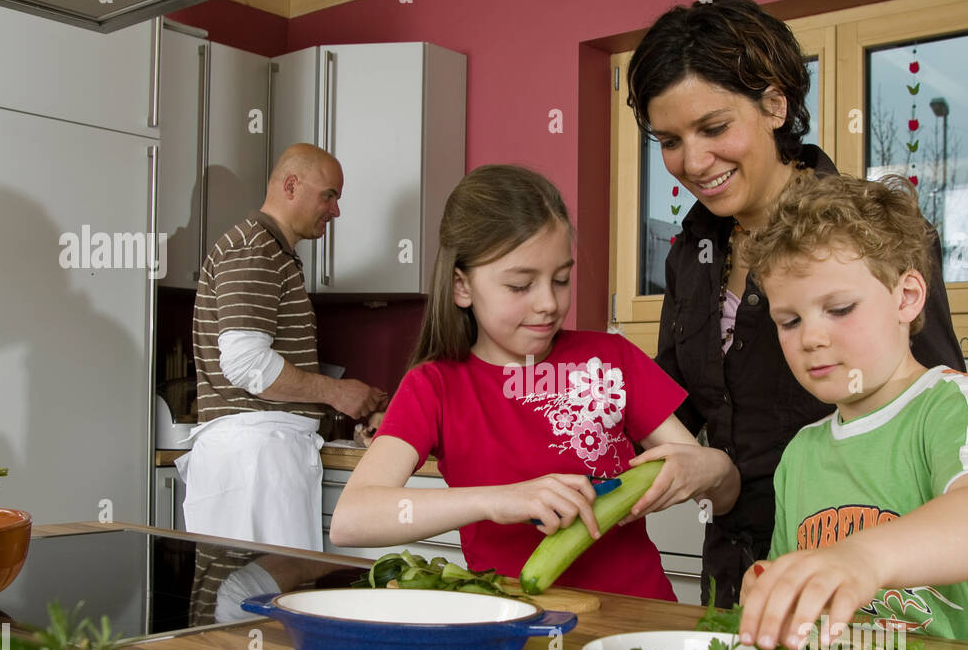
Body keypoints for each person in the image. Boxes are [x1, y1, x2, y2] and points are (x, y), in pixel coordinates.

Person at [625, 0, 968, 608]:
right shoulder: (691, 251)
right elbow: (680, 406)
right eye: (669, 139)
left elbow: (929, 394)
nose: (692, 161)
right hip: (743, 562)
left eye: (714, 128)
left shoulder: (873, 234)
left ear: (775, 103)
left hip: (877, 576)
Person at [330, 164, 739, 600]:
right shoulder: (434, 387)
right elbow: (351, 519)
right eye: (521, 285)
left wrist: (718, 468)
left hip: (639, 619)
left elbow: (719, 498)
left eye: (561, 279)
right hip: (512, 627)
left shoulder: (611, 360)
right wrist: (497, 500)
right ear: (461, 287)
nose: (548, 303)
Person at [737, 172, 968, 650]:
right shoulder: (800, 452)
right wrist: (769, 585)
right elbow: (791, 582)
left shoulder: (955, 405)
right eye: (790, 320)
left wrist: (862, 558)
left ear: (906, 297)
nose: (811, 338)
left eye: (839, 309)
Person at [179, 144, 386, 551]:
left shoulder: (271, 251)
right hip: (254, 461)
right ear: (291, 185)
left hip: (258, 459)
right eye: (329, 195)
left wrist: (341, 401)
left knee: (253, 600)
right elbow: (246, 364)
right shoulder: (254, 249)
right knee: (255, 604)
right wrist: (338, 393)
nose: (335, 211)